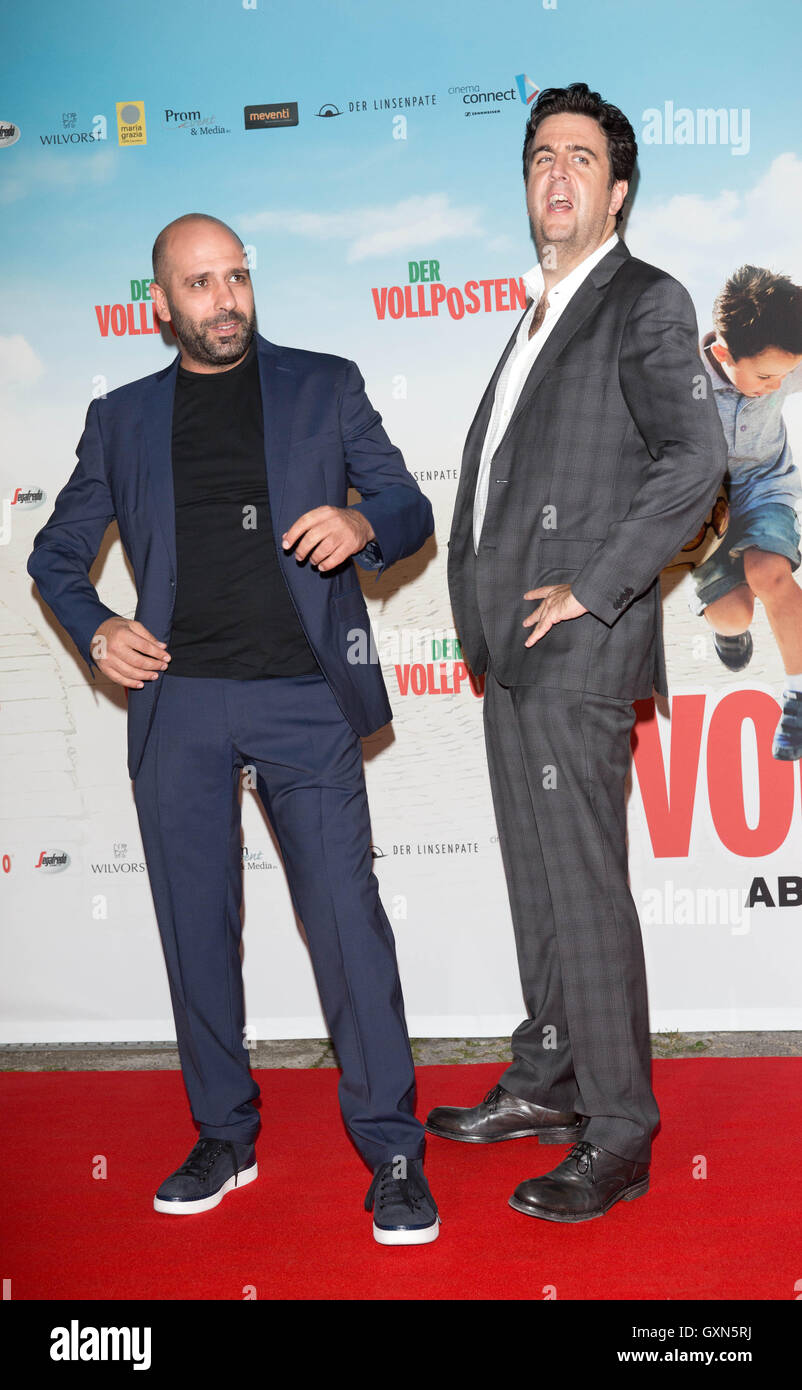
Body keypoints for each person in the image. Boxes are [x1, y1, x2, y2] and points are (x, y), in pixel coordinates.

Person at [28, 213, 439, 1246]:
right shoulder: (120, 418)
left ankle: (392, 1149)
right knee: (195, 929)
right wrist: (96, 627)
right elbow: (56, 555)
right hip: (180, 703)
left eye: (238, 278)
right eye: (200, 284)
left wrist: (362, 524)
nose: (226, 301)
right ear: (160, 305)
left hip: (305, 695)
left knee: (347, 922)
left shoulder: (323, 383)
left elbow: (406, 502)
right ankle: (225, 1132)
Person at [426, 84, 727, 1222]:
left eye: (581, 158)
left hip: (577, 645)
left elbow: (692, 461)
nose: (558, 172)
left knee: (586, 889)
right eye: (541, 155)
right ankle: (548, 1075)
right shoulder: (538, 315)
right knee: (540, 880)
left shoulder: (642, 301)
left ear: (619, 190)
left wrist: (593, 588)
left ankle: (618, 1130)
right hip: (511, 652)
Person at [690, 266, 802, 760]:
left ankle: (798, 696)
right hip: (700, 510)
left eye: (786, 376)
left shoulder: (778, 362)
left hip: (765, 488)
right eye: (765, 377)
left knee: (768, 571)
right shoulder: (675, 383)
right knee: (734, 616)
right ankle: (730, 635)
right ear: (722, 354)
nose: (776, 385)